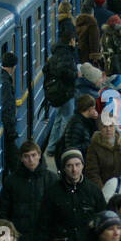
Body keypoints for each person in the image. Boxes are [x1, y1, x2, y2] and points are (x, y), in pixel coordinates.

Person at [0, 139, 55, 241]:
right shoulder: (11, 182)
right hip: (21, 240)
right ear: (21, 158)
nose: (31, 160)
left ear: (40, 155)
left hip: (45, 240)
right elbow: (3, 212)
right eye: (27, 156)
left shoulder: (52, 179)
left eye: (34, 155)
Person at [37, 148, 107, 241]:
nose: (74, 170)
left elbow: (103, 220)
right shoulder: (52, 193)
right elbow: (43, 226)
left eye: (77, 164)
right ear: (63, 168)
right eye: (69, 166)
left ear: (83, 166)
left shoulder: (94, 190)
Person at [43, 27, 79, 157]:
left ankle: (52, 147)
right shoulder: (65, 54)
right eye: (74, 39)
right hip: (65, 92)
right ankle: (63, 148)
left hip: (59, 91)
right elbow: (63, 71)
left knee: (58, 119)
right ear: (71, 41)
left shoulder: (58, 51)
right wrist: (76, 74)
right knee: (67, 120)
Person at [56, 92, 99, 173]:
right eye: (94, 108)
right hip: (75, 165)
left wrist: (95, 119)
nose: (95, 110)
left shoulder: (85, 120)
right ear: (89, 109)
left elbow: (94, 132)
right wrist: (89, 143)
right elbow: (72, 147)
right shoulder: (76, 125)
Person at [84, 119, 121, 189]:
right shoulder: (93, 147)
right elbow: (92, 173)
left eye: (111, 126)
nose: (108, 129)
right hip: (103, 188)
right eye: (105, 126)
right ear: (100, 128)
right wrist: (103, 191)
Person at [0, 51, 18, 152]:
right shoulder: (6, 82)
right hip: (7, 129)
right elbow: (7, 106)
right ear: (13, 67)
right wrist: (11, 131)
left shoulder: (0, 77)